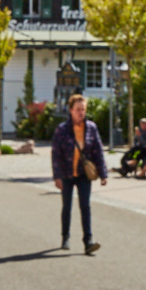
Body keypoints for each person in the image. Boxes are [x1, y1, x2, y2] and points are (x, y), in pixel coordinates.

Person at [53, 93, 110, 254]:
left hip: (84, 174)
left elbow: (98, 150)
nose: (81, 112)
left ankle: (88, 242)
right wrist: (57, 176)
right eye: (78, 109)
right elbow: (56, 154)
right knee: (67, 207)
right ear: (71, 110)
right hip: (67, 173)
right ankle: (65, 237)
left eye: (83, 109)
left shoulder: (91, 128)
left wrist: (103, 173)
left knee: (85, 206)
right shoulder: (62, 130)